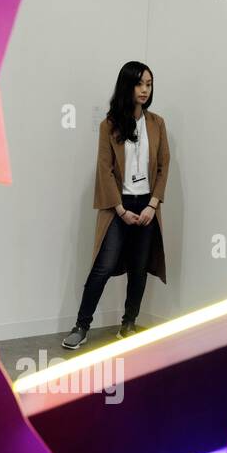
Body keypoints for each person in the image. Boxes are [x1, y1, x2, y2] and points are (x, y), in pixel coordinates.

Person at [62, 61, 170, 349]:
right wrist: (120, 210)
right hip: (117, 206)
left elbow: (163, 166)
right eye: (139, 83)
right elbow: (104, 168)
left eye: (149, 84)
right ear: (127, 85)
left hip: (148, 205)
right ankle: (81, 325)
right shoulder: (109, 125)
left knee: (139, 267)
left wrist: (153, 204)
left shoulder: (157, 123)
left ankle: (129, 324)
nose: (145, 89)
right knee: (103, 266)